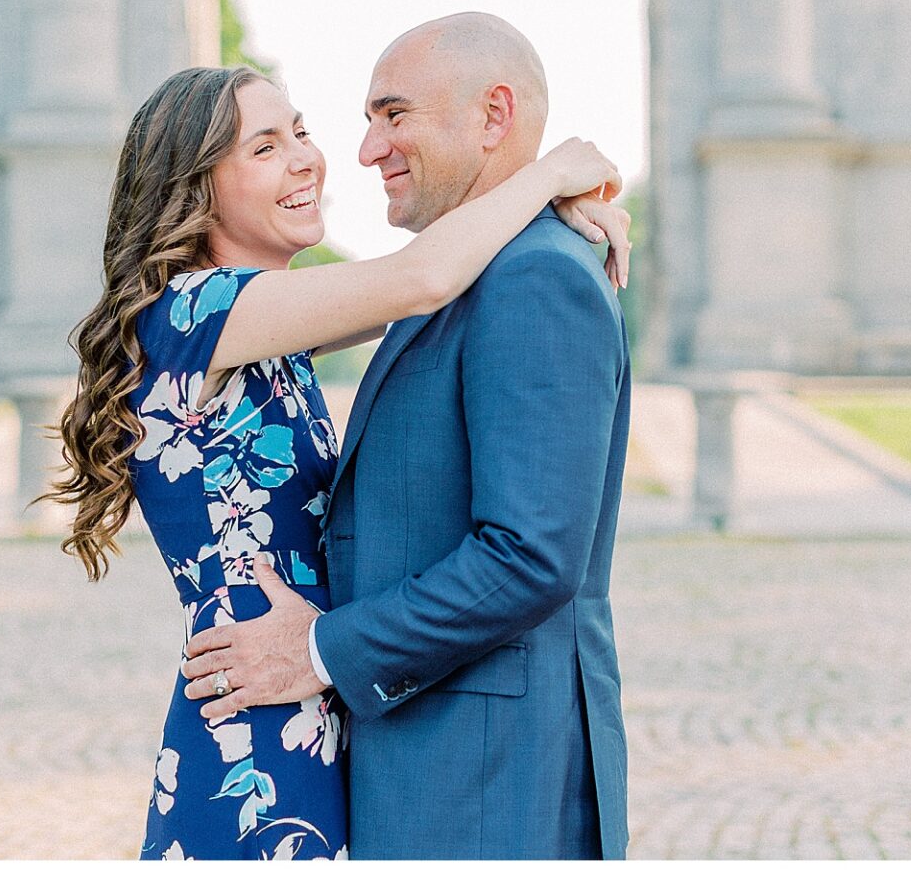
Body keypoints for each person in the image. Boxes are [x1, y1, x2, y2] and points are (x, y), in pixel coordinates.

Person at [45, 59, 629, 860]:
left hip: (309, 705)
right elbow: (421, 278)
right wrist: (553, 173)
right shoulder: (197, 311)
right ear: (196, 187)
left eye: (301, 132)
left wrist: (564, 222)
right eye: (264, 147)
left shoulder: (266, 327)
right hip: (255, 733)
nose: (307, 159)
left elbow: (453, 280)